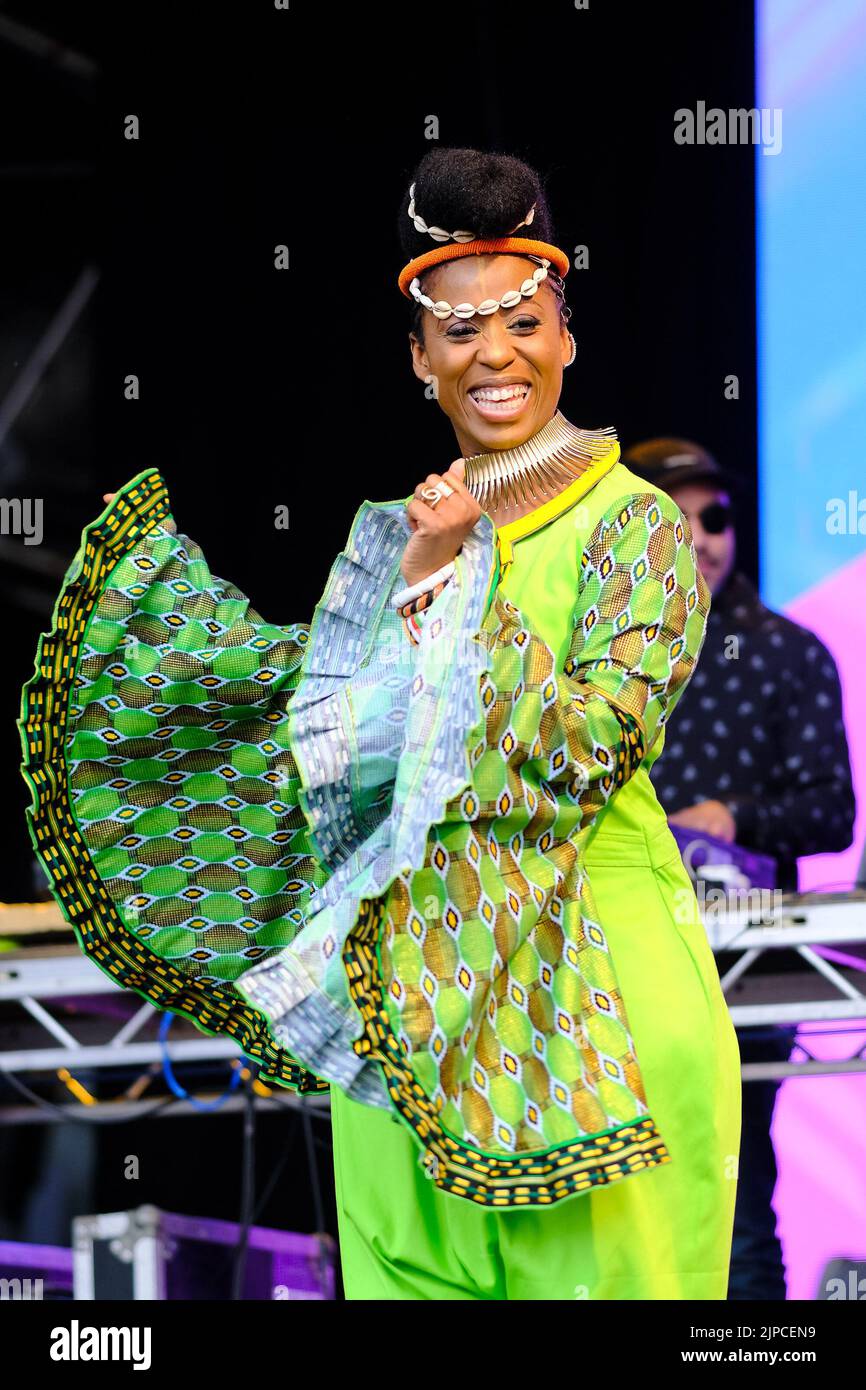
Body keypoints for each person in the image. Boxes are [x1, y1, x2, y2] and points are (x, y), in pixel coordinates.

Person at [19, 148, 741, 1301]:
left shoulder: (632, 523)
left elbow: (586, 747)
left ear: (565, 336)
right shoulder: (388, 537)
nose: (492, 354)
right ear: (418, 358)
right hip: (409, 1010)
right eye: (457, 331)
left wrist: (446, 587)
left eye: (520, 320)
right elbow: (327, 767)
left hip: (595, 998)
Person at [622, 435, 856, 1300]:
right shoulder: (598, 655)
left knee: (736, 1206)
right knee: (614, 1209)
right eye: (673, 518)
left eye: (713, 516)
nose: (702, 536)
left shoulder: (788, 653)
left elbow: (833, 812)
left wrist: (733, 820)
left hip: (748, 974)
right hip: (616, 960)